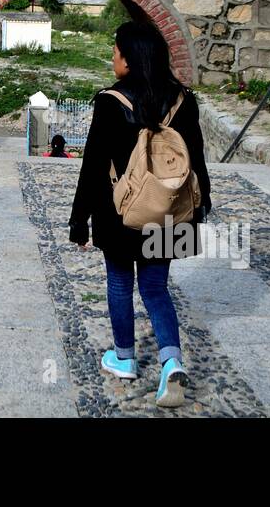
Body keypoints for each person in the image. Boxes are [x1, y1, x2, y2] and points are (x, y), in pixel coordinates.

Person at [69, 20, 211, 408]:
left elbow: (94, 165)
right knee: (155, 287)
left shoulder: (110, 101)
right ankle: (170, 361)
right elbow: (196, 159)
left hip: (121, 212)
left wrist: (79, 220)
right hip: (169, 211)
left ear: (129, 60)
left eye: (116, 51)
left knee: (119, 283)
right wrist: (200, 207)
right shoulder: (184, 99)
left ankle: (125, 357)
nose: (112, 57)